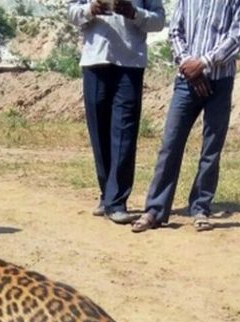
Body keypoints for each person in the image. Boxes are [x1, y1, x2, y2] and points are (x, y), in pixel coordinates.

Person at [130, 0, 240, 233]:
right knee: (170, 144)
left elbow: (237, 37)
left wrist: (203, 63)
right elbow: (175, 31)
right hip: (186, 80)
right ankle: (155, 210)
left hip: (221, 80)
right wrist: (188, 64)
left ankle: (200, 208)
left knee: (211, 149)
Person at [68, 0, 165, 225]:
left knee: (125, 132)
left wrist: (134, 13)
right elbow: (71, 13)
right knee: (99, 130)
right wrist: (90, 10)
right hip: (95, 59)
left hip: (130, 63)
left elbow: (159, 21)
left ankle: (117, 202)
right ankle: (107, 194)